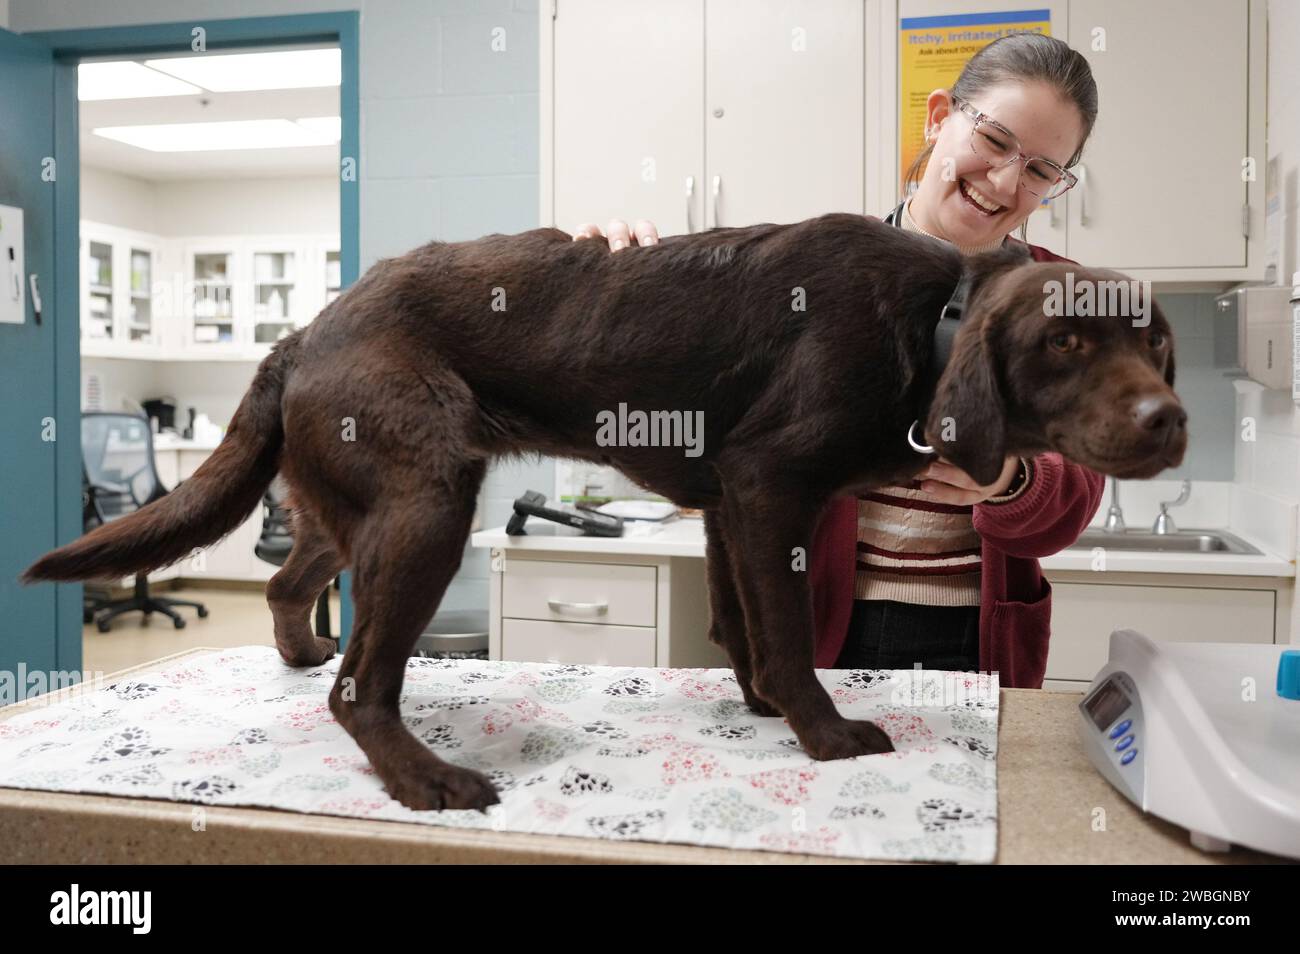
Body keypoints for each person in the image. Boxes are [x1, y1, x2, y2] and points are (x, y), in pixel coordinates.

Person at [571, 33, 1106, 689]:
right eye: (994, 141)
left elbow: (1073, 497)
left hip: (974, 642)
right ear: (939, 117)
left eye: (1040, 170)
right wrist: (611, 286)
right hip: (811, 626)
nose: (1004, 181)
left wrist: (1011, 481)